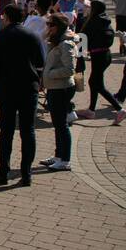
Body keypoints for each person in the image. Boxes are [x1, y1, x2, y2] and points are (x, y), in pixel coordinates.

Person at [0, 4, 45, 187]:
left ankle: (3, 171)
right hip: (28, 87)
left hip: (6, 89)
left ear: (6, 17)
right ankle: (26, 173)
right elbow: (40, 61)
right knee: (28, 131)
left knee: (6, 131)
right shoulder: (32, 36)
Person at [39, 14, 78, 172]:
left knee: (62, 125)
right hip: (53, 87)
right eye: (48, 24)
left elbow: (70, 69)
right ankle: (58, 155)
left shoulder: (66, 44)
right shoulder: (55, 41)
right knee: (57, 124)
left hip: (62, 88)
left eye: (51, 25)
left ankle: (65, 159)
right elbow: (41, 37)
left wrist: (49, 74)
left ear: (59, 26)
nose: (48, 27)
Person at [75, 0, 122, 121]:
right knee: (94, 82)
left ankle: (120, 109)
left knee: (98, 85)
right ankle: (91, 110)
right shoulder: (105, 20)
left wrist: (78, 55)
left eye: (90, 7)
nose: (88, 9)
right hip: (106, 55)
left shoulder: (93, 21)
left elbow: (82, 38)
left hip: (98, 56)